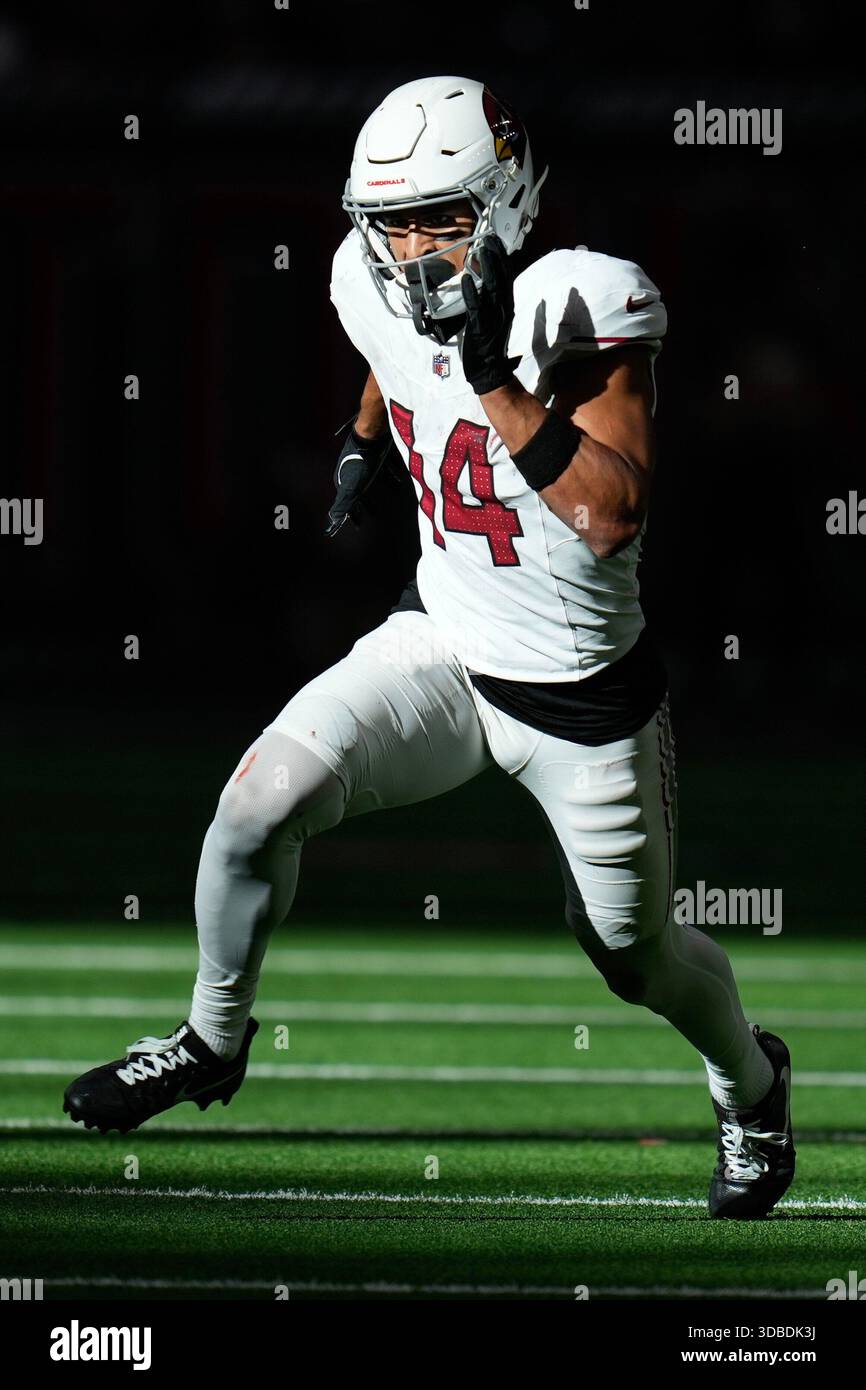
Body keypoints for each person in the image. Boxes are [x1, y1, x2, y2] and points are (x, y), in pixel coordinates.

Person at [64, 76, 794, 1219]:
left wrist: (489, 370)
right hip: (444, 644)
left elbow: (608, 514)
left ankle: (749, 1083)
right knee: (254, 802)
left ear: (504, 196)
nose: (410, 249)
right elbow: (384, 347)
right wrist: (358, 442)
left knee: (631, 956)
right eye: (391, 222)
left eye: (440, 219)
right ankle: (210, 1038)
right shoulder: (368, 276)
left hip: (579, 694)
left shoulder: (577, 297)